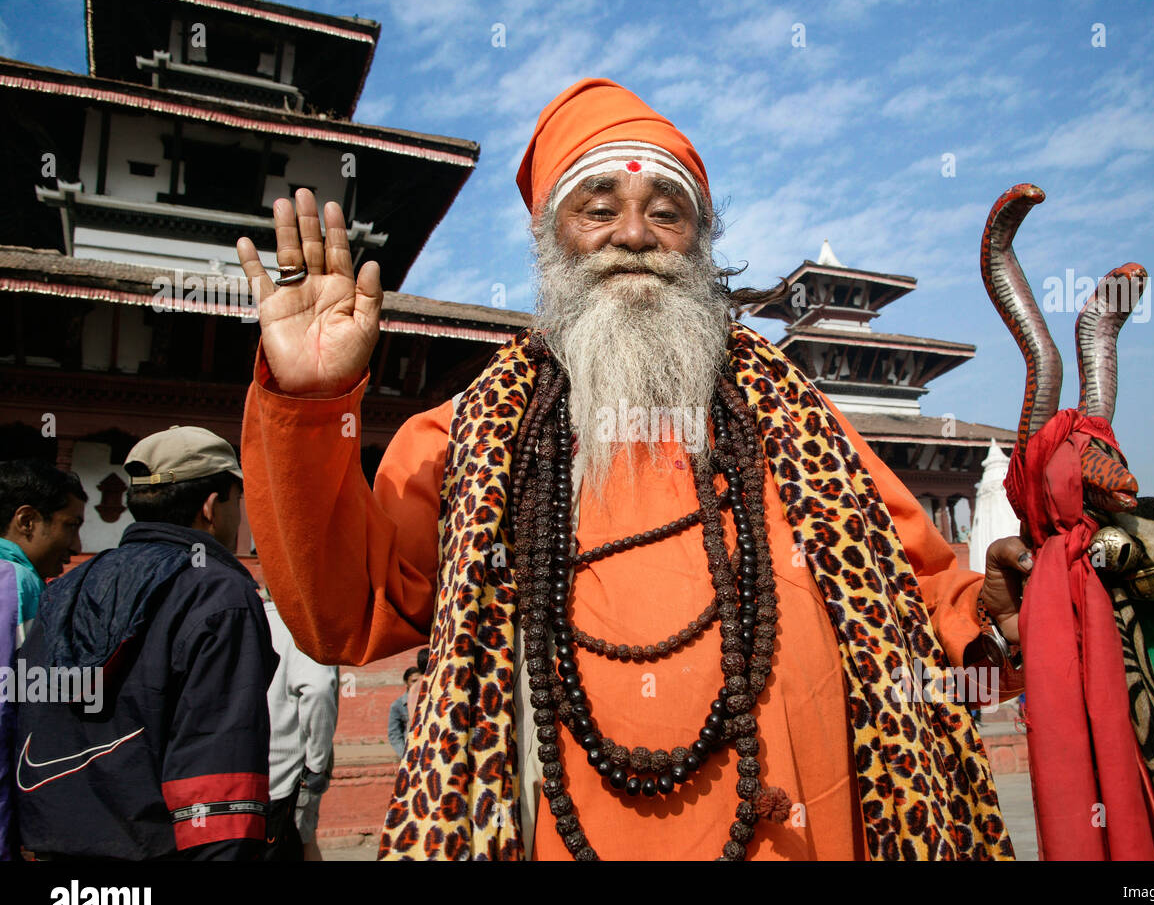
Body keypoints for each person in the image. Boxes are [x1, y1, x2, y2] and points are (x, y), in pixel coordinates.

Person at [238, 78, 1032, 861]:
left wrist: (990, 613)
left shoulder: (794, 420)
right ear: (553, 239)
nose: (634, 236)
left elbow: (916, 586)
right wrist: (311, 405)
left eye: (666, 212)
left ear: (700, 242)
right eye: (599, 210)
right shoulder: (469, 438)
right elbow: (343, 611)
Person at [15, 426, 276, 860]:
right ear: (212, 506)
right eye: (238, 500)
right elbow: (219, 756)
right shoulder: (217, 594)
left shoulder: (68, 588)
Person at [0, 459, 86, 860]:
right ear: (27, 521)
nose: (75, 547)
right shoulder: (19, 583)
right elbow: (21, 705)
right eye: (70, 525)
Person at [264, 587, 338, 861]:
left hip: (241, 775)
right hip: (290, 777)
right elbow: (318, 690)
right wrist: (316, 765)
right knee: (302, 843)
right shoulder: (304, 627)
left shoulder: (250, 616)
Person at [388, 666, 420, 758]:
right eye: (413, 681)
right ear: (406, 683)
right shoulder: (398, 705)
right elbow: (394, 734)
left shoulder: (429, 701)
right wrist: (405, 756)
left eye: (419, 680)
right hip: (411, 753)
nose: (417, 684)